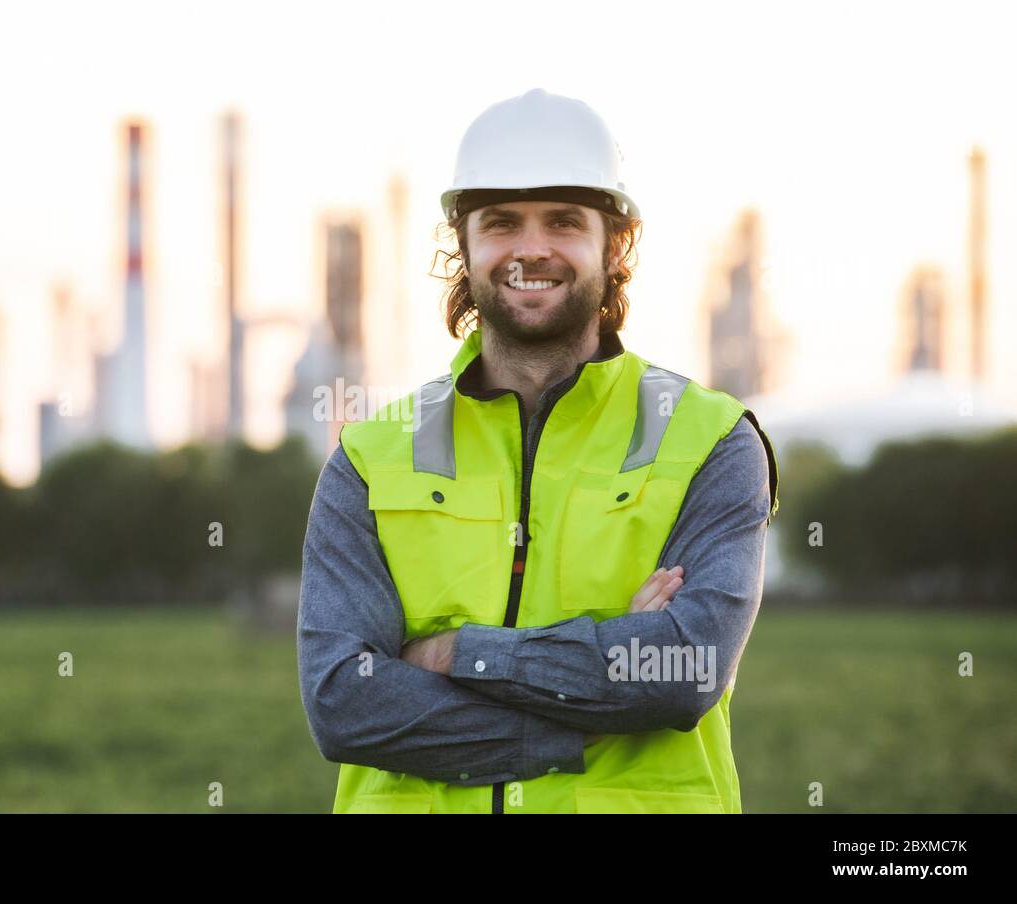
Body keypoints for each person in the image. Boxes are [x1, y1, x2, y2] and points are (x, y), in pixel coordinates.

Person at [297, 88, 780, 814]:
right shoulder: (368, 456)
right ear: (462, 242)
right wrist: (588, 704)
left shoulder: (709, 439)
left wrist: (456, 654)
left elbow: (686, 667)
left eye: (562, 221)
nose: (530, 249)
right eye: (501, 223)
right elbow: (343, 702)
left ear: (615, 243)